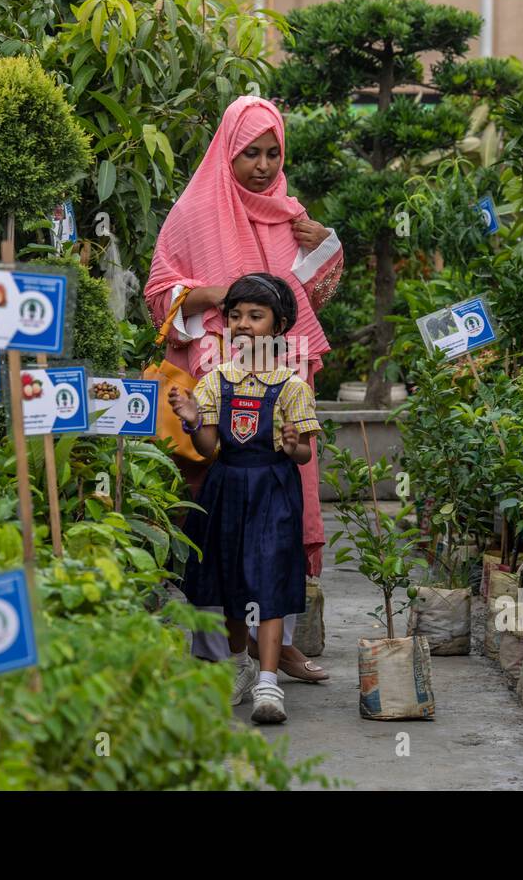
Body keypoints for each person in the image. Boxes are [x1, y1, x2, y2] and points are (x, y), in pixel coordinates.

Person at [145, 95, 343, 681]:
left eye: (272, 152)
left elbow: (310, 300)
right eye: (249, 153)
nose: (262, 165)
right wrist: (218, 295)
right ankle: (238, 646)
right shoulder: (195, 211)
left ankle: (272, 646)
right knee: (225, 515)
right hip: (218, 382)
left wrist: (323, 246)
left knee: (277, 513)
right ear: (226, 152)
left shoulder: (290, 211)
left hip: (281, 382)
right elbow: (160, 294)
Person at [168, 273, 321, 723]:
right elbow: (209, 450)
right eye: (235, 315)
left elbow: (304, 453)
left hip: (273, 493)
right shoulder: (215, 381)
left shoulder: (293, 387)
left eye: (256, 315)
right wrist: (195, 420)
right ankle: (239, 662)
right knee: (233, 581)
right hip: (228, 491)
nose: (243, 323)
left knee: (270, 579)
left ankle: (269, 685)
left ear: (279, 326)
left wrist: (291, 443)